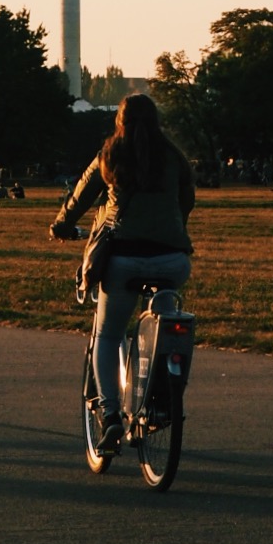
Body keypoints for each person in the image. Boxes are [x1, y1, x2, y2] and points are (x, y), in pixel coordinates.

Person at [50, 93, 195, 453]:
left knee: (108, 334)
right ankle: (160, 398)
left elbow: (82, 195)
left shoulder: (110, 155)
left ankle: (110, 414)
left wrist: (61, 225)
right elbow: (186, 200)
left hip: (124, 260)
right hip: (173, 261)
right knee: (163, 329)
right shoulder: (173, 156)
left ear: (120, 120)